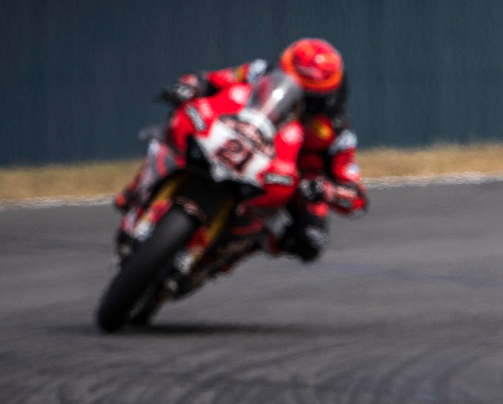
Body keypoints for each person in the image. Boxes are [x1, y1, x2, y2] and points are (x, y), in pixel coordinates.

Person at [115, 38, 367, 263]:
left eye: (306, 95)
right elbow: (211, 80)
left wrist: (324, 190)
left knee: (310, 242)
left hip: (292, 182)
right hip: (241, 140)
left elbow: (356, 198)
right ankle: (138, 189)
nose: (295, 99)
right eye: (288, 80)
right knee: (174, 128)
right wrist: (189, 87)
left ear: (324, 96)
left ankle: (227, 254)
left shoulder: (336, 133)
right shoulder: (259, 72)